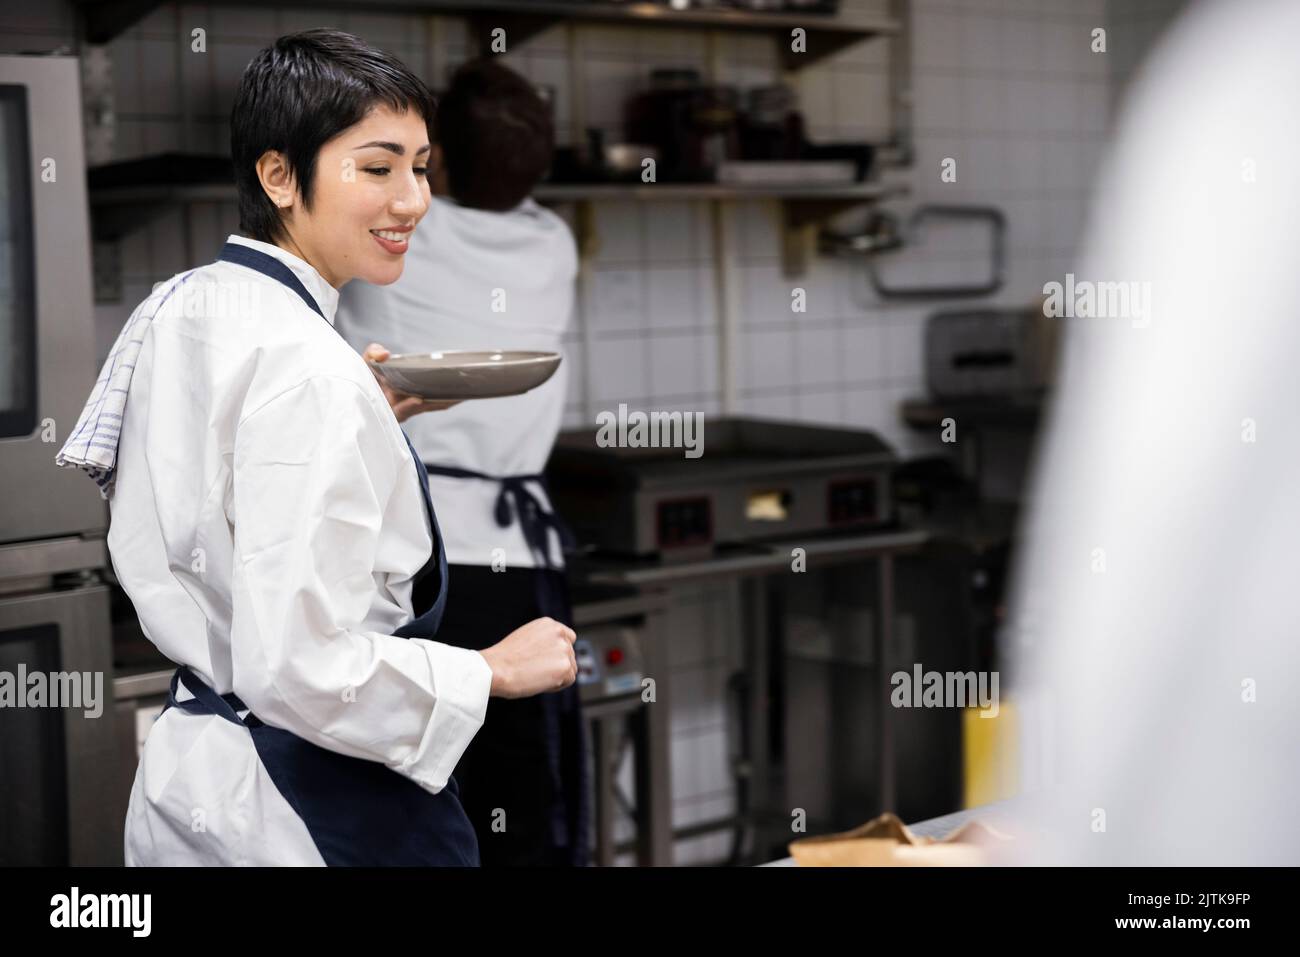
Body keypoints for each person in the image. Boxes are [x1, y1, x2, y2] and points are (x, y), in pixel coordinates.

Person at [55, 29, 576, 866]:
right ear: (278, 175)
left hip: (197, 783)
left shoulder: (186, 303)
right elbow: (300, 670)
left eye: (420, 165)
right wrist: (491, 670)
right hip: (305, 804)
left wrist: (363, 424)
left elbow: (224, 482)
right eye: (378, 168)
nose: (413, 200)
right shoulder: (310, 371)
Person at [335, 59, 587, 866]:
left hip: (417, 559)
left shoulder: (400, 231)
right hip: (522, 560)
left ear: (432, 159)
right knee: (521, 786)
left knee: (422, 780)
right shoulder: (554, 243)